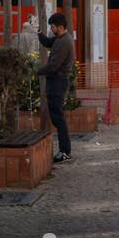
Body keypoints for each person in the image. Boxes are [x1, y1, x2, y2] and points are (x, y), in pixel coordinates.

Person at [37, 12, 75, 164]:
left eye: (52, 27)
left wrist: (37, 71)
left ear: (60, 27)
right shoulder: (61, 38)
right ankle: (65, 150)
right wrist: (39, 33)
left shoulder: (63, 42)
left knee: (58, 118)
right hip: (57, 81)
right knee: (58, 117)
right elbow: (47, 42)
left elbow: (53, 66)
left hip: (58, 82)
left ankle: (65, 151)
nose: (51, 29)